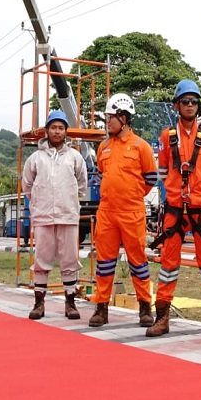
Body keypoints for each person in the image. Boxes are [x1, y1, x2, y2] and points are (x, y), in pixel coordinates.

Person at [146, 79, 201, 338]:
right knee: (168, 265)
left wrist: (200, 192)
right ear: (177, 105)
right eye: (185, 101)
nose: (190, 105)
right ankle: (162, 317)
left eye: (194, 102)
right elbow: (162, 171)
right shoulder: (166, 137)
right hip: (174, 210)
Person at [88, 93, 158, 329]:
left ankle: (145, 307)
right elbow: (101, 175)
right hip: (106, 213)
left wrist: (132, 195)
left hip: (132, 212)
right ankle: (101, 308)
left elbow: (150, 179)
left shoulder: (141, 147)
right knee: (104, 263)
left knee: (138, 261)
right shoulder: (103, 147)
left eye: (110, 118)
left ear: (124, 117)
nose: (107, 122)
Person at [21, 110, 87, 321]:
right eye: (53, 127)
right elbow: (27, 185)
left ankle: (70, 303)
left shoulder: (75, 157)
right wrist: (40, 202)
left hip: (68, 216)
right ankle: (39, 303)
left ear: (66, 131)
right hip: (43, 217)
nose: (57, 131)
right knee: (42, 260)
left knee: (70, 259)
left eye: (61, 128)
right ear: (46, 130)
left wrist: (69, 201)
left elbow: (82, 184)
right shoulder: (36, 158)